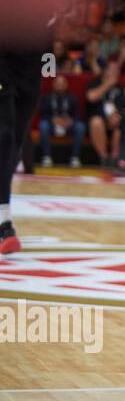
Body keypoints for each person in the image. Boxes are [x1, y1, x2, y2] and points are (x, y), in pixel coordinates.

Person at [0, 51, 45, 254]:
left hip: (31, 72)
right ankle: (4, 223)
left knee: (15, 148)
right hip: (3, 65)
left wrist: (47, 71)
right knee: (5, 138)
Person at [38, 75, 87, 167]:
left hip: (68, 125)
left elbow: (77, 115)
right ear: (53, 84)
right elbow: (42, 114)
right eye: (57, 83)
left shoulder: (73, 98)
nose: (60, 85)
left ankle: (75, 157)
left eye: (62, 83)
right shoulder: (47, 98)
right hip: (52, 124)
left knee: (80, 127)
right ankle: (46, 156)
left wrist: (70, 121)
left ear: (66, 85)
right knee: (43, 125)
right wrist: (53, 120)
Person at [85, 59, 125, 168]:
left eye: (117, 70)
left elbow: (122, 107)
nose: (115, 73)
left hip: (112, 121)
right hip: (97, 119)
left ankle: (114, 158)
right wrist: (107, 85)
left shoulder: (120, 88)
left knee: (120, 123)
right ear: (105, 71)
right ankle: (103, 157)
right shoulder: (95, 83)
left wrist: (115, 116)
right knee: (96, 122)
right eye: (112, 70)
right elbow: (91, 97)